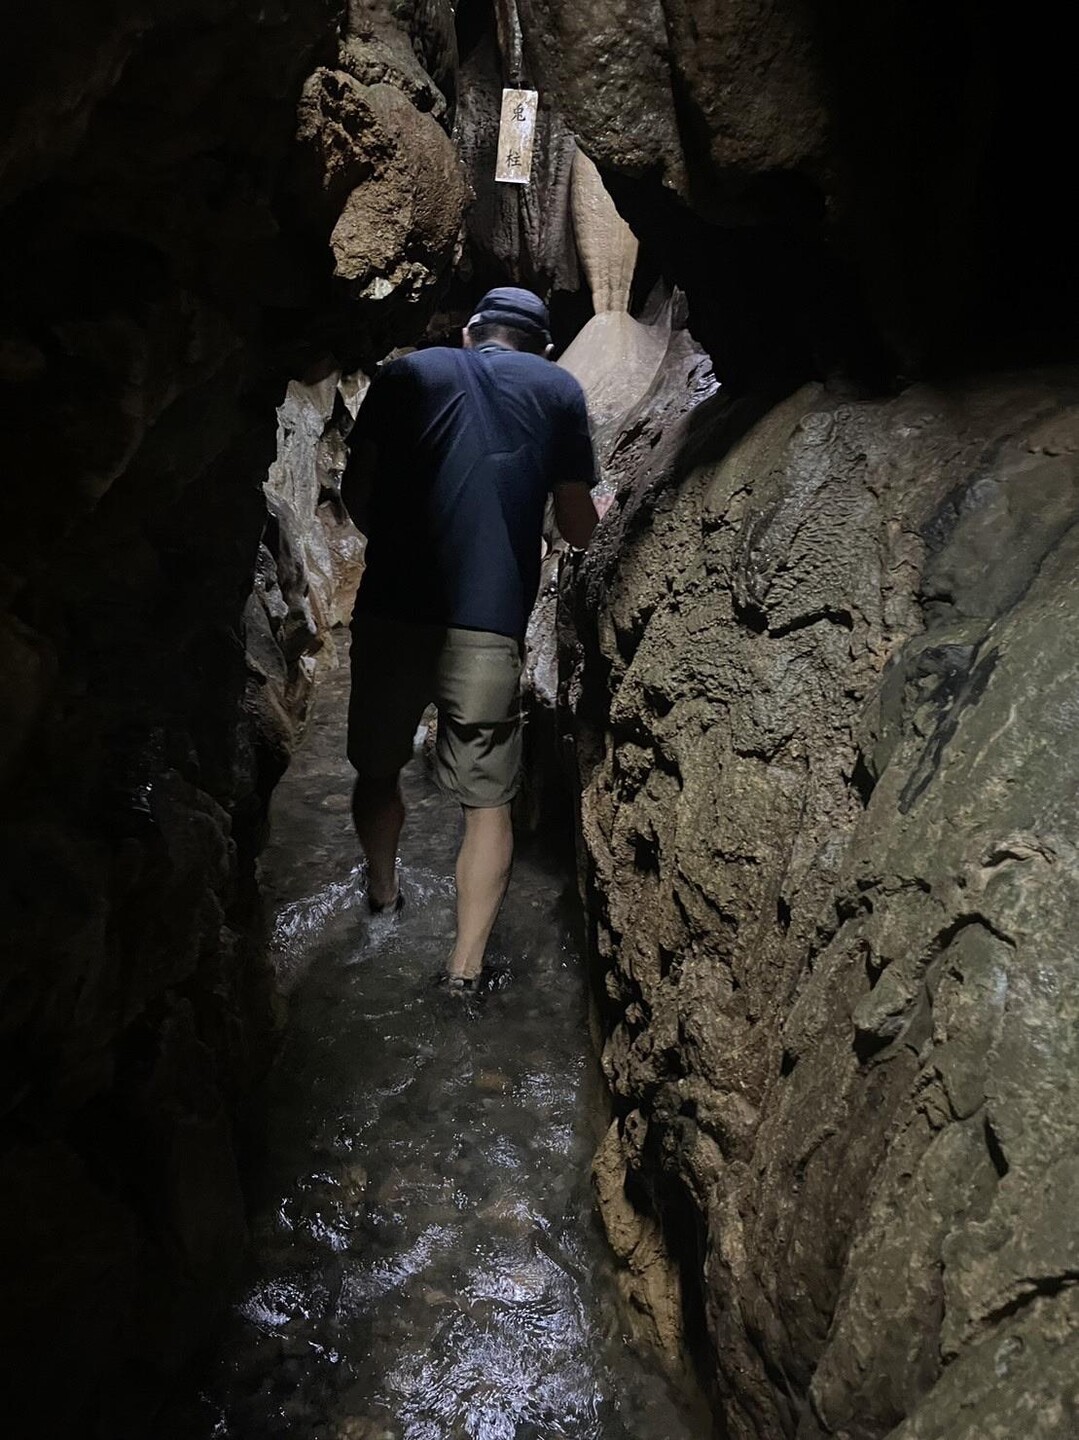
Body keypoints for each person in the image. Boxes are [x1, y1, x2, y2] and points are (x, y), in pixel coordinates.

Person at [341, 287, 599, 993]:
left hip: (392, 610)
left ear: (469, 336)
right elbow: (576, 526)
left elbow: (357, 491)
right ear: (539, 346)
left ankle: (384, 895)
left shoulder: (406, 374)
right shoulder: (557, 388)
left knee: (376, 769)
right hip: (487, 623)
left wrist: (399, 548)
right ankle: (463, 970)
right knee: (486, 801)